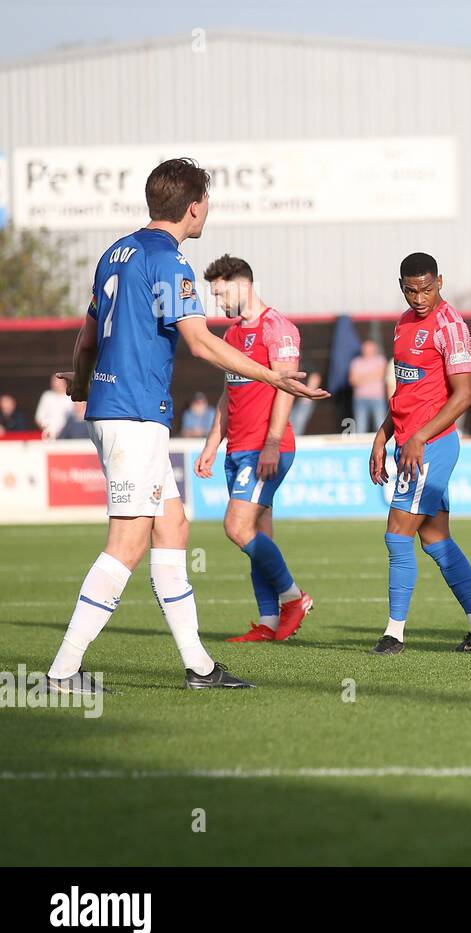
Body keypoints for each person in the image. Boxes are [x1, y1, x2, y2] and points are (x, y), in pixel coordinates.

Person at [45, 157, 327, 694]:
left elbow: (86, 341)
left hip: (118, 409)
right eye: (207, 203)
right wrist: (275, 377)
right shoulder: (169, 263)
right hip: (133, 415)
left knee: (172, 527)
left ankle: (199, 666)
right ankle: (62, 672)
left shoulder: (115, 252)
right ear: (194, 206)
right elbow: (200, 341)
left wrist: (82, 385)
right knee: (127, 542)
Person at [368, 252, 471, 655]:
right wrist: (383, 434)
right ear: (401, 287)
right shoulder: (403, 325)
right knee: (435, 538)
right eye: (411, 290)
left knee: (396, 534)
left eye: (427, 288)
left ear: (440, 282)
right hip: (410, 443)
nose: (420, 297)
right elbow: (406, 392)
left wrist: (419, 437)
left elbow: (464, 396)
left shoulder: (451, 328)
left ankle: (394, 634)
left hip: (430, 446)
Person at [194, 254, 312, 644]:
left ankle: (294, 599)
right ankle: (268, 622)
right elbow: (229, 394)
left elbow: (286, 390)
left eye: (220, 292)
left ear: (241, 284)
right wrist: (213, 444)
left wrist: (272, 444)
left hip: (265, 449)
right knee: (259, 534)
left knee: (236, 526)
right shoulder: (230, 335)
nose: (217, 301)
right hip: (237, 450)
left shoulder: (278, 328)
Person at [349, 339, 388, 433]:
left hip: (377, 398)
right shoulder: (356, 362)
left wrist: (361, 378)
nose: (367, 350)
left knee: (380, 426)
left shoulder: (381, 360)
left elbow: (381, 374)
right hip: (360, 398)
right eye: (365, 348)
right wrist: (372, 375)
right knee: (360, 428)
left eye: (370, 348)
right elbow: (353, 381)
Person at [35, 373, 73, 441]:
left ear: (65, 382)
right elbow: (39, 417)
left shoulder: (71, 397)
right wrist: (47, 430)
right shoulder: (47, 396)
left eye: (58, 381)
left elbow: (76, 417)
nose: (55, 384)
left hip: (69, 437)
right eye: (54, 381)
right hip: (49, 437)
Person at [288, 368, 324, 435]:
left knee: (296, 430)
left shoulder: (306, 363)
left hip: (301, 402)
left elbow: (315, 376)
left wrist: (306, 398)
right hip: (288, 400)